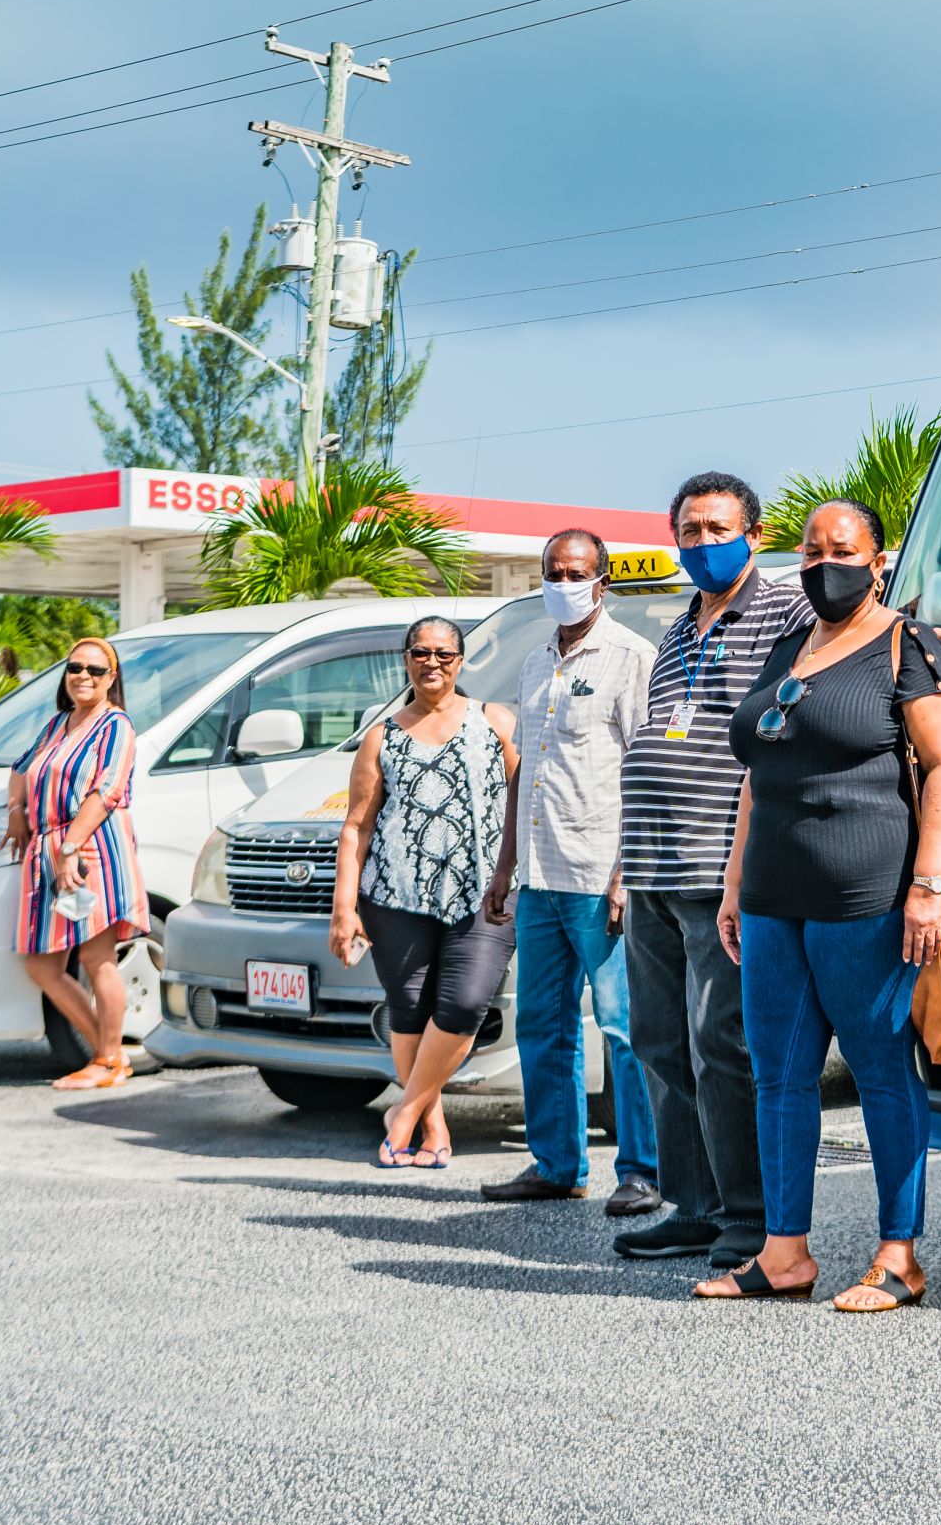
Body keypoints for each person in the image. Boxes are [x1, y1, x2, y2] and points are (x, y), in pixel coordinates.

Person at [696, 500, 941, 1311]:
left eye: (842, 549)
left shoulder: (907, 646)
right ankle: (784, 1253)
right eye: (811, 550)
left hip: (869, 896)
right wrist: (735, 881)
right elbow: (758, 776)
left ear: (877, 559)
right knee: (777, 1077)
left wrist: (927, 888)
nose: (824, 563)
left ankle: (899, 1255)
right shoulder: (789, 647)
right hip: (774, 898)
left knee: (883, 1070)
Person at [611, 471, 806, 1267]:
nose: (702, 542)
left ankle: (750, 1215)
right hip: (653, 865)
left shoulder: (785, 607)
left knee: (716, 1040)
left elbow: (862, 628)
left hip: (719, 868)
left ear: (754, 534)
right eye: (688, 530)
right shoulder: (677, 628)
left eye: (717, 527)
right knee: (658, 1040)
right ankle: (693, 1203)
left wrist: (924, 637)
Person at [479, 529, 660, 1211]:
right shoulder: (533, 664)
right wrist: (505, 867)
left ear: (602, 580)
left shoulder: (630, 657)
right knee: (541, 1025)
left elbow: (646, 771)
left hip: (598, 876)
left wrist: (626, 874)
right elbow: (520, 770)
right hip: (539, 878)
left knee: (622, 1026)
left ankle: (642, 1168)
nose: (563, 581)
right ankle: (557, 1162)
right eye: (553, 570)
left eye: (576, 571)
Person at [328, 615, 520, 1169]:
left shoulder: (494, 721)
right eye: (420, 652)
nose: (431, 662)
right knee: (410, 1013)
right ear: (405, 659)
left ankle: (404, 1114)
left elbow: (523, 801)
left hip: (485, 894)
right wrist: (344, 909)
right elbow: (356, 826)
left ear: (461, 660)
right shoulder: (382, 735)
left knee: (462, 1006)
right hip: (395, 897)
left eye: (443, 653)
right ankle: (433, 1126)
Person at [6, 637, 153, 1092]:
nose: (83, 676)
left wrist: (70, 850)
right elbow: (21, 768)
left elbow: (106, 791)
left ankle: (108, 1060)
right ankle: (107, 1055)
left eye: (94, 669)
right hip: (49, 852)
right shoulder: (56, 726)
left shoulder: (115, 726)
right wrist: (16, 812)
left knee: (96, 956)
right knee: (42, 965)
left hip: (89, 851)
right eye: (75, 668)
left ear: (111, 679)